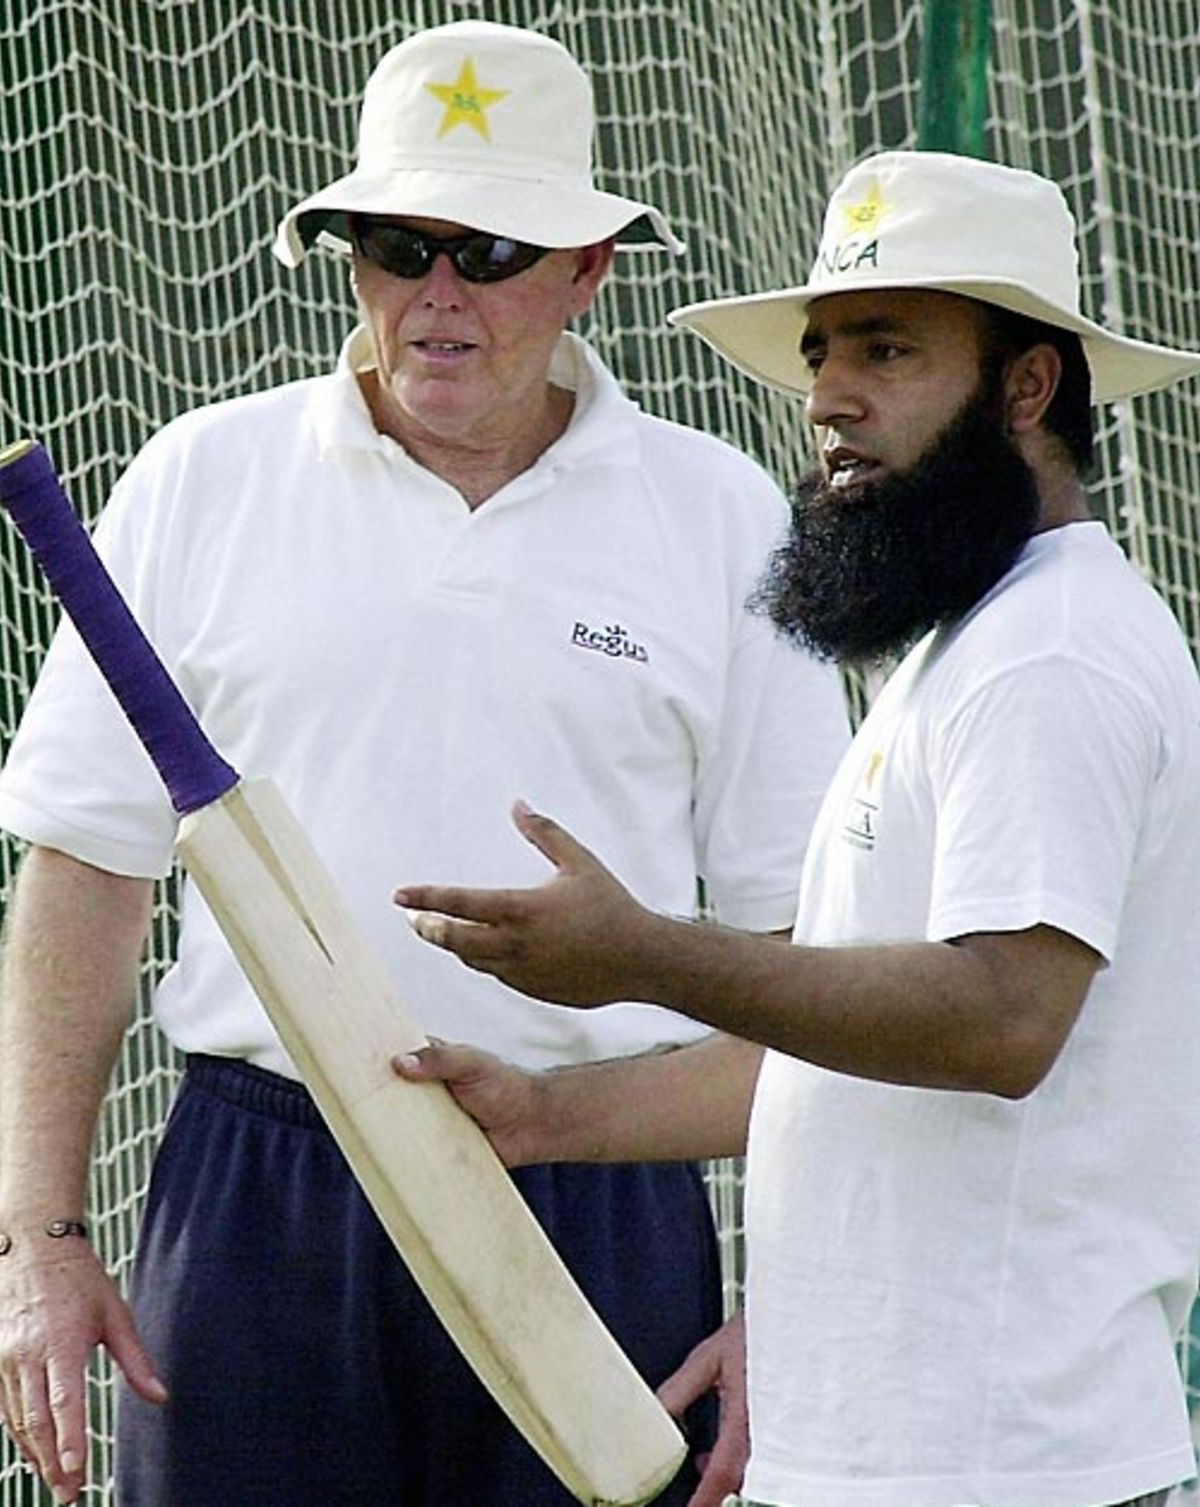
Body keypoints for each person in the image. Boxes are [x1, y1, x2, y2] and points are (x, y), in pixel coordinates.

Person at [0, 21, 850, 1507]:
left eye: (492, 251)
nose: (439, 294)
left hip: (598, 1200)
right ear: (351, 263)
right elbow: (85, 872)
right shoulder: (204, 477)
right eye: (399, 248)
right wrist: (39, 1241)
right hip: (260, 1197)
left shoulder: (721, 516)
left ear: (588, 270)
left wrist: (791, 1299)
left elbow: (809, 965)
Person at [393, 150, 1200, 1507]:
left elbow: (1001, 1022)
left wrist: (644, 955)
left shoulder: (1050, 655)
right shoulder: (974, 643)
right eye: (823, 354)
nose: (828, 397)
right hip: (915, 1458)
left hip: (1001, 1467)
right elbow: (839, 1053)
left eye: (887, 350)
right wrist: (543, 1116)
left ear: (1026, 387)